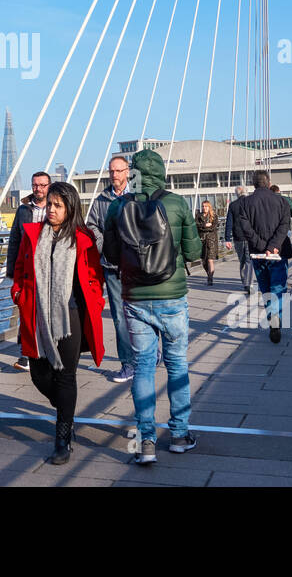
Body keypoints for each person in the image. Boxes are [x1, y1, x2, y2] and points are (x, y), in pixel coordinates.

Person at [107, 148, 201, 464]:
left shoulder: (119, 206)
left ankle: (146, 441)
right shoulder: (176, 203)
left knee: (144, 367)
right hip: (172, 297)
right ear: (161, 172)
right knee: (176, 365)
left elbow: (109, 252)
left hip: (135, 299)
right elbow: (193, 251)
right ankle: (178, 435)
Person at [11, 182, 105, 464]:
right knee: (39, 374)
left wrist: (97, 300)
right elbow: (18, 266)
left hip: (71, 315)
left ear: (70, 208)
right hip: (37, 314)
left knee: (66, 376)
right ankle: (66, 407)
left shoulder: (82, 238)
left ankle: (62, 438)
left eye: (57, 205)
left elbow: (95, 276)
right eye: (49, 204)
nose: (50, 209)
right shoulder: (33, 234)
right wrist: (17, 293)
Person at [86, 155, 136, 382]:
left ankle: (149, 350)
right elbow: (92, 226)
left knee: (142, 313)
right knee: (119, 316)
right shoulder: (101, 200)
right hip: (112, 265)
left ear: (128, 172)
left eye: (118, 171)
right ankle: (127, 363)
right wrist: (103, 243)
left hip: (138, 266)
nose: (114, 175)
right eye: (111, 171)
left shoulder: (138, 197)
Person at [233, 171, 291, 343]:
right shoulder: (282, 201)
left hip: (257, 253)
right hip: (277, 252)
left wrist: (260, 245)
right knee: (278, 287)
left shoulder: (245, 203)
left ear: (253, 184)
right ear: (268, 182)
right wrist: (272, 246)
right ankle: (275, 319)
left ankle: (272, 318)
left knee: (265, 287)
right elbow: (284, 225)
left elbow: (245, 227)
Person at [6, 171, 51, 371]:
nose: (38, 189)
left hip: (50, 269)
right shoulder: (23, 210)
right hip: (27, 269)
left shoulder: (57, 206)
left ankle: (48, 351)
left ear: (49, 186)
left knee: (48, 312)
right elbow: (15, 239)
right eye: (35, 185)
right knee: (26, 311)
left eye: (42, 185)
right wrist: (11, 270)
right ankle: (26, 355)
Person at [223, 186, 254, 293]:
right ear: (246, 192)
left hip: (238, 237)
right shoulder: (251, 203)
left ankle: (244, 282)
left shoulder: (233, 205)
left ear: (236, 194)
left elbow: (229, 223)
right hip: (250, 236)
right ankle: (248, 283)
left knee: (242, 260)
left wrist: (227, 239)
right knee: (249, 260)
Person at [194, 200, 219, 286]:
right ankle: (208, 274)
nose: (204, 208)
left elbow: (213, 227)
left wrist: (204, 227)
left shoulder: (214, 216)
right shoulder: (198, 216)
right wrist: (205, 226)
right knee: (203, 261)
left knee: (210, 259)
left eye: (206, 206)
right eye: (203, 206)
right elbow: (196, 226)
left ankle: (210, 278)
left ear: (209, 207)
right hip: (201, 240)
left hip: (211, 240)